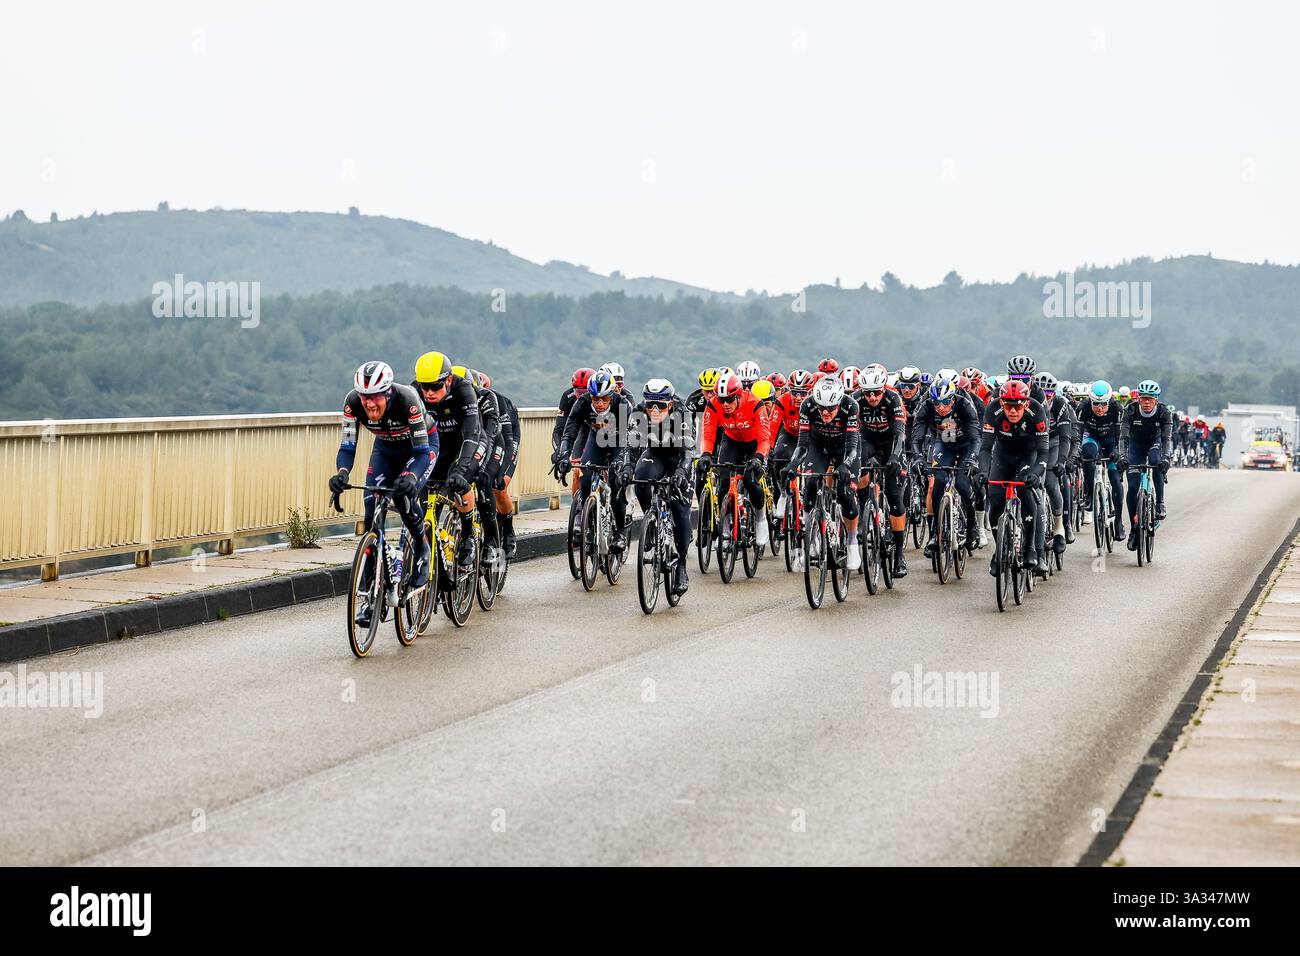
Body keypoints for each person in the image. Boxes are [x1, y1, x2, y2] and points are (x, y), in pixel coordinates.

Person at [330, 361, 439, 628]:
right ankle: (370, 599)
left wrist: (411, 478)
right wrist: (342, 473)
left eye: (375, 397)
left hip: (419, 449)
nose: (369, 405)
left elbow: (422, 453)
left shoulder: (408, 401)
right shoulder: (351, 403)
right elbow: (347, 444)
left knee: (404, 497)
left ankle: (423, 550)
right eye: (365, 398)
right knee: (371, 511)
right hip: (386, 450)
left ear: (388, 393)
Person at [412, 350, 484, 570]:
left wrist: (461, 471)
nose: (429, 393)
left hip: (464, 443)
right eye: (425, 387)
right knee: (423, 512)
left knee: (461, 482)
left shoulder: (463, 390)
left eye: (435, 386)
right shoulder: (414, 392)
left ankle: (469, 536)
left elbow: (472, 435)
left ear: (449, 380)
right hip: (436, 447)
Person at [785, 375, 862, 571]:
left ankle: (852, 544)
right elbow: (802, 445)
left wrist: (845, 465)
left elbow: (853, 447)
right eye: (822, 408)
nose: (826, 413)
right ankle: (811, 536)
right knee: (810, 484)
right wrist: (793, 464)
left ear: (838, 402)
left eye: (831, 408)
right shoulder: (807, 405)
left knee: (846, 495)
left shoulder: (851, 406)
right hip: (818, 447)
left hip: (845, 448)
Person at [628, 379, 695, 596]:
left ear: (671, 404)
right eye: (650, 405)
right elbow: (632, 446)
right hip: (656, 454)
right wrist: (627, 468)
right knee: (640, 477)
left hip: (679, 459)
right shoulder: (638, 413)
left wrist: (681, 473)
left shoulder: (682, 413)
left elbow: (688, 452)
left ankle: (682, 566)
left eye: (661, 406)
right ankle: (652, 520)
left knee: (681, 513)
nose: (655, 411)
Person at [558, 370, 634, 553]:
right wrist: (563, 455)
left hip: (618, 442)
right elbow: (569, 432)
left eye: (604, 399)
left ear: (612, 395)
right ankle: (589, 522)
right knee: (585, 476)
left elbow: (628, 440)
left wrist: (621, 463)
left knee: (616, 482)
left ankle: (620, 533)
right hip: (597, 440)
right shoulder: (582, 402)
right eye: (595, 399)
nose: (599, 404)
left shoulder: (622, 405)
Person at [698, 372, 775, 552]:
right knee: (723, 484)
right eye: (722, 399)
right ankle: (724, 531)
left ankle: (760, 517)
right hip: (731, 441)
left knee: (751, 480)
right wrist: (706, 454)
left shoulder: (755, 404)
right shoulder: (714, 404)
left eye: (730, 400)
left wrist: (759, 457)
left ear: (739, 395)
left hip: (754, 443)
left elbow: (765, 438)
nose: (725, 404)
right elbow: (708, 434)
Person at [980, 379, 1050, 576]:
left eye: (1017, 406)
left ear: (1026, 403)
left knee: (1025, 490)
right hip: (1003, 455)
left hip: (1028, 455)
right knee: (994, 498)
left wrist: (1036, 474)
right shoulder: (993, 409)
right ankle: (1000, 548)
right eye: (1008, 405)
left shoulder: (1036, 411)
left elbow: (1044, 452)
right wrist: (983, 471)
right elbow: (985, 448)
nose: (1012, 411)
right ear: (1001, 403)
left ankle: (1030, 548)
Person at [910, 377, 981, 566]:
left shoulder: (965, 405)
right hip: (944, 442)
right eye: (937, 403)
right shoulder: (926, 407)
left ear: (953, 398)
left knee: (963, 485)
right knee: (938, 482)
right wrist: (918, 458)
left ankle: (973, 526)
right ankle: (934, 535)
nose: (941, 408)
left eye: (946, 402)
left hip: (966, 445)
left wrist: (973, 459)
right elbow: (916, 439)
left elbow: (976, 439)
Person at [854, 367, 908, 576]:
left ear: (883, 389)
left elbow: (900, 433)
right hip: (867, 441)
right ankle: (862, 508)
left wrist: (895, 456)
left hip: (891, 443)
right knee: (859, 470)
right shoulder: (857, 399)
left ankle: (900, 554)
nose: (872, 397)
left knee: (895, 499)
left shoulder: (893, 399)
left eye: (876, 392)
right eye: (868, 393)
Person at [1120, 380, 1173, 547]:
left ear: (1156, 399)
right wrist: (1122, 456)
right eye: (1144, 399)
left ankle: (1159, 503)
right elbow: (1123, 437)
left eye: (1150, 399)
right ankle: (1134, 528)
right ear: (1139, 399)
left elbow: (1166, 439)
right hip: (1136, 446)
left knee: (1157, 461)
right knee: (1133, 487)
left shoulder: (1164, 413)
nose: (1147, 402)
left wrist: (1167, 458)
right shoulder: (1130, 410)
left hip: (1155, 443)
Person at [1077, 379, 1126, 540]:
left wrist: (1118, 452)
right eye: (1096, 404)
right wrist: (1076, 453)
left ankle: (1118, 521)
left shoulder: (1117, 408)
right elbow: (1078, 433)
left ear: (1109, 401)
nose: (1099, 408)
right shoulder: (1083, 407)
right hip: (1092, 438)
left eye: (1103, 404)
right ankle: (1090, 495)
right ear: (1090, 401)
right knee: (1088, 453)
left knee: (1115, 480)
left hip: (1111, 440)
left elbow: (1121, 435)